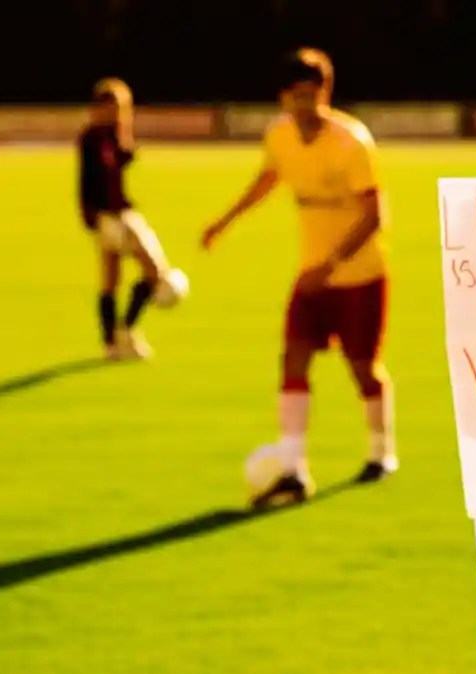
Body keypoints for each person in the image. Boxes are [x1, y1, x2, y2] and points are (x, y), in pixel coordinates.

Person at [202, 51, 398, 506]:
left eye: (313, 95)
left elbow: (375, 215)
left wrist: (330, 266)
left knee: (362, 368)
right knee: (292, 360)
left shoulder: (351, 142)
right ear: (283, 99)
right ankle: (294, 471)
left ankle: (380, 452)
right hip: (311, 276)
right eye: (297, 97)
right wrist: (226, 219)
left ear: (325, 94)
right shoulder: (280, 136)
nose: (305, 105)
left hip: (359, 275)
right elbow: (269, 178)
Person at [78, 77, 176, 360]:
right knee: (145, 272)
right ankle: (120, 335)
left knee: (114, 279)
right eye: (110, 106)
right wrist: (92, 217)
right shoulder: (91, 138)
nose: (114, 112)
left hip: (120, 212)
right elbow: (86, 182)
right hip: (108, 216)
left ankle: (118, 338)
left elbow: (124, 160)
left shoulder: (114, 135)